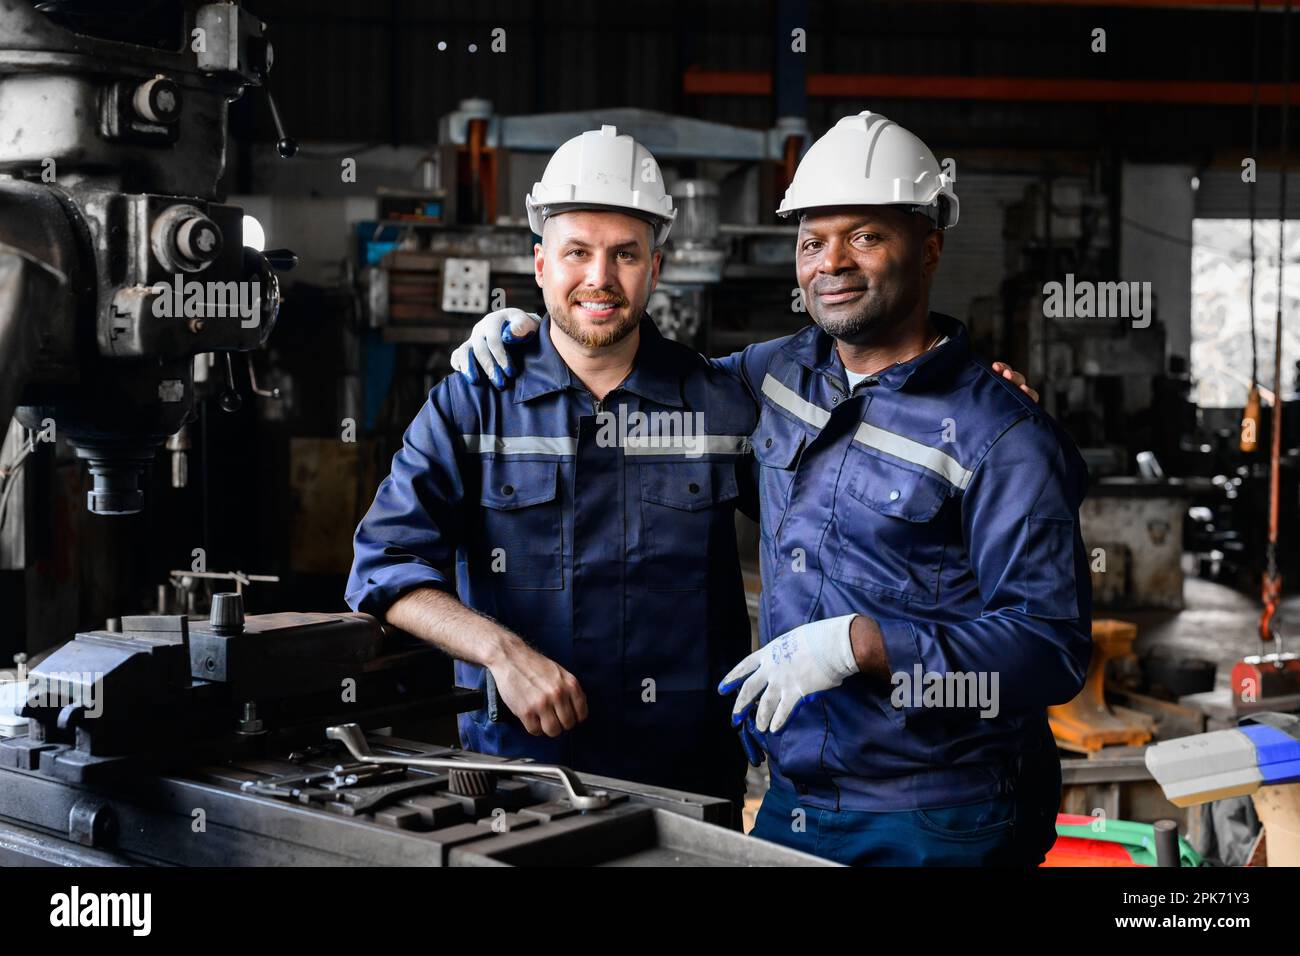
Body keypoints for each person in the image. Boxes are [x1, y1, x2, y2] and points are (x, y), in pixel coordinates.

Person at [454, 111, 1085, 866]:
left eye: (866, 236)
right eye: (814, 241)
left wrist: (864, 645)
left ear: (930, 248)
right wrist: (540, 334)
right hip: (795, 797)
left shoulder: (1002, 435)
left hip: (941, 810)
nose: (833, 263)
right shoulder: (772, 377)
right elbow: (639, 381)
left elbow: (1049, 649)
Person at [347, 126, 757, 807]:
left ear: (656, 267)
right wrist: (501, 654)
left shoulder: (719, 404)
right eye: (577, 252)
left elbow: (828, 525)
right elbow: (382, 567)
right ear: (540, 265)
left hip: (685, 781)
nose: (600, 277)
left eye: (625, 253)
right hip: (520, 778)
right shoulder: (474, 403)